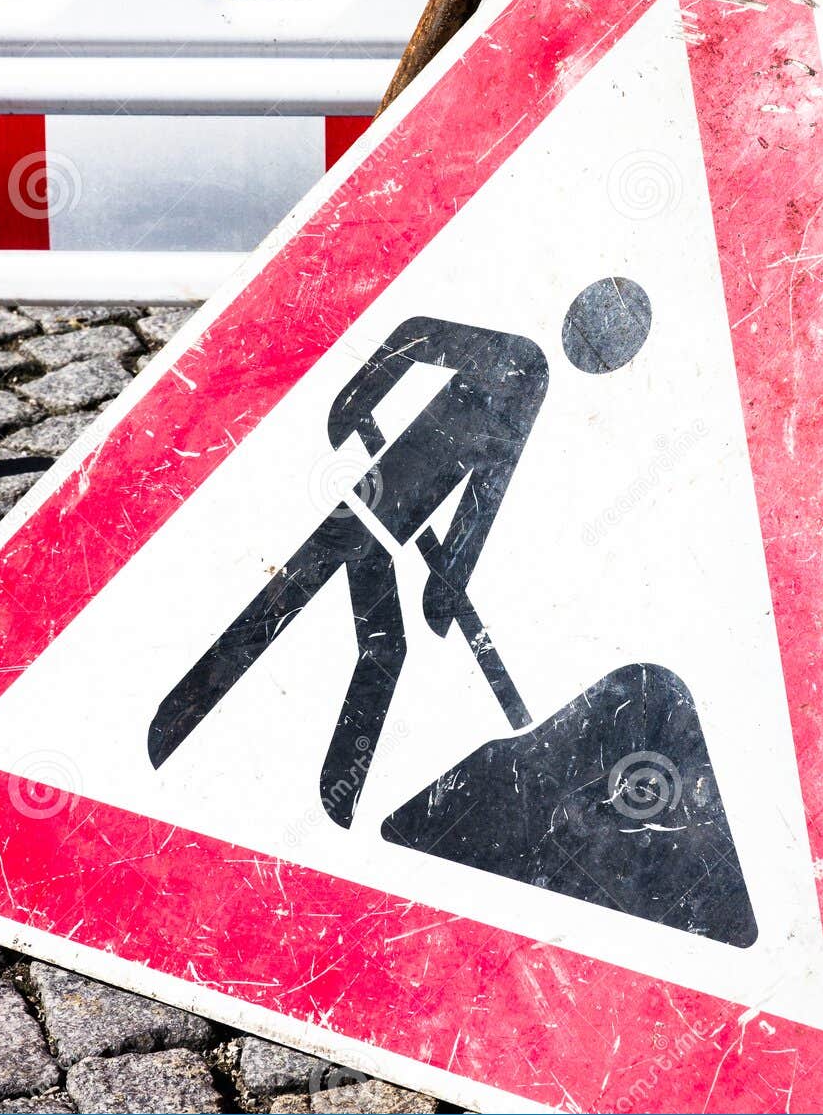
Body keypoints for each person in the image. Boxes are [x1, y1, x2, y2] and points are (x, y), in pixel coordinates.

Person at [148, 279, 651, 827]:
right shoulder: (520, 358)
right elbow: (414, 340)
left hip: (382, 530)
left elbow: (486, 491)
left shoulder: (533, 379)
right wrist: (355, 405)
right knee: (313, 618)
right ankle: (187, 725)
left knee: (366, 639)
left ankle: (329, 799)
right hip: (363, 510)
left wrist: (448, 578)